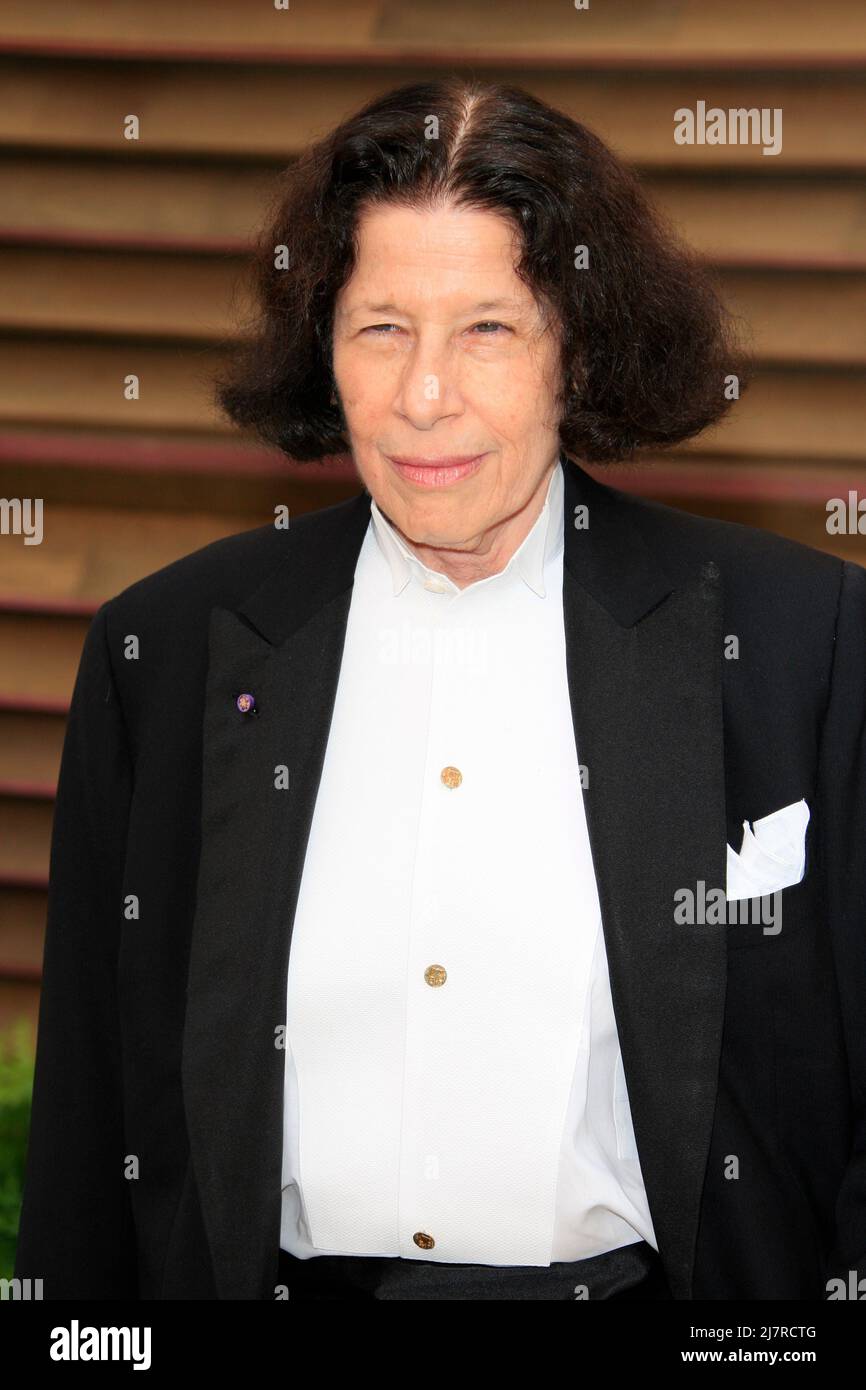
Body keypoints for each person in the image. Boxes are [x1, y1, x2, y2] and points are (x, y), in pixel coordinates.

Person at [15, 78, 866, 1301]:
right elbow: (94, 1123)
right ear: (322, 344)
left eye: (486, 329)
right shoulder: (170, 651)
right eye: (379, 329)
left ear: (578, 346)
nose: (425, 396)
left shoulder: (800, 645)